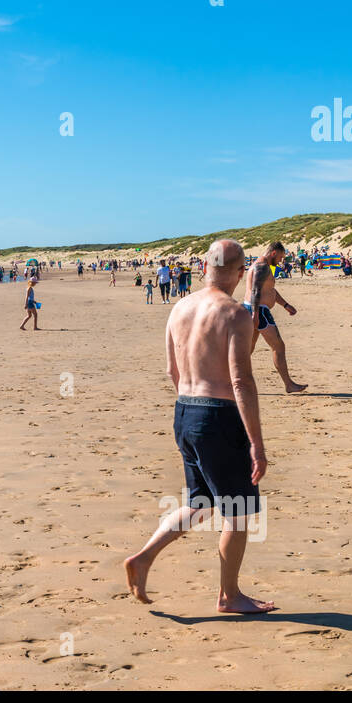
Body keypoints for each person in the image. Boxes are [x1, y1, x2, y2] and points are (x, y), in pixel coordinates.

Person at [123, 238, 275, 614]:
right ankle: (230, 596)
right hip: (218, 415)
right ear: (241, 273)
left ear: (204, 267)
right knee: (238, 509)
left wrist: (193, 411)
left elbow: (172, 371)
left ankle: (145, 556)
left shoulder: (179, 307)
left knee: (202, 502)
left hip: (185, 411)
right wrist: (256, 442)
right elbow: (241, 380)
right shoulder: (237, 313)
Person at [244, 242, 307, 393]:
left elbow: (270, 289)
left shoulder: (263, 266)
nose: (280, 261)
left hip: (253, 309)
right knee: (278, 347)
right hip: (259, 310)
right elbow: (255, 291)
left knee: (247, 349)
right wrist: (256, 314)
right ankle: (289, 385)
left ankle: (226, 382)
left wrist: (285, 305)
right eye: (279, 257)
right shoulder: (261, 267)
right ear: (273, 253)